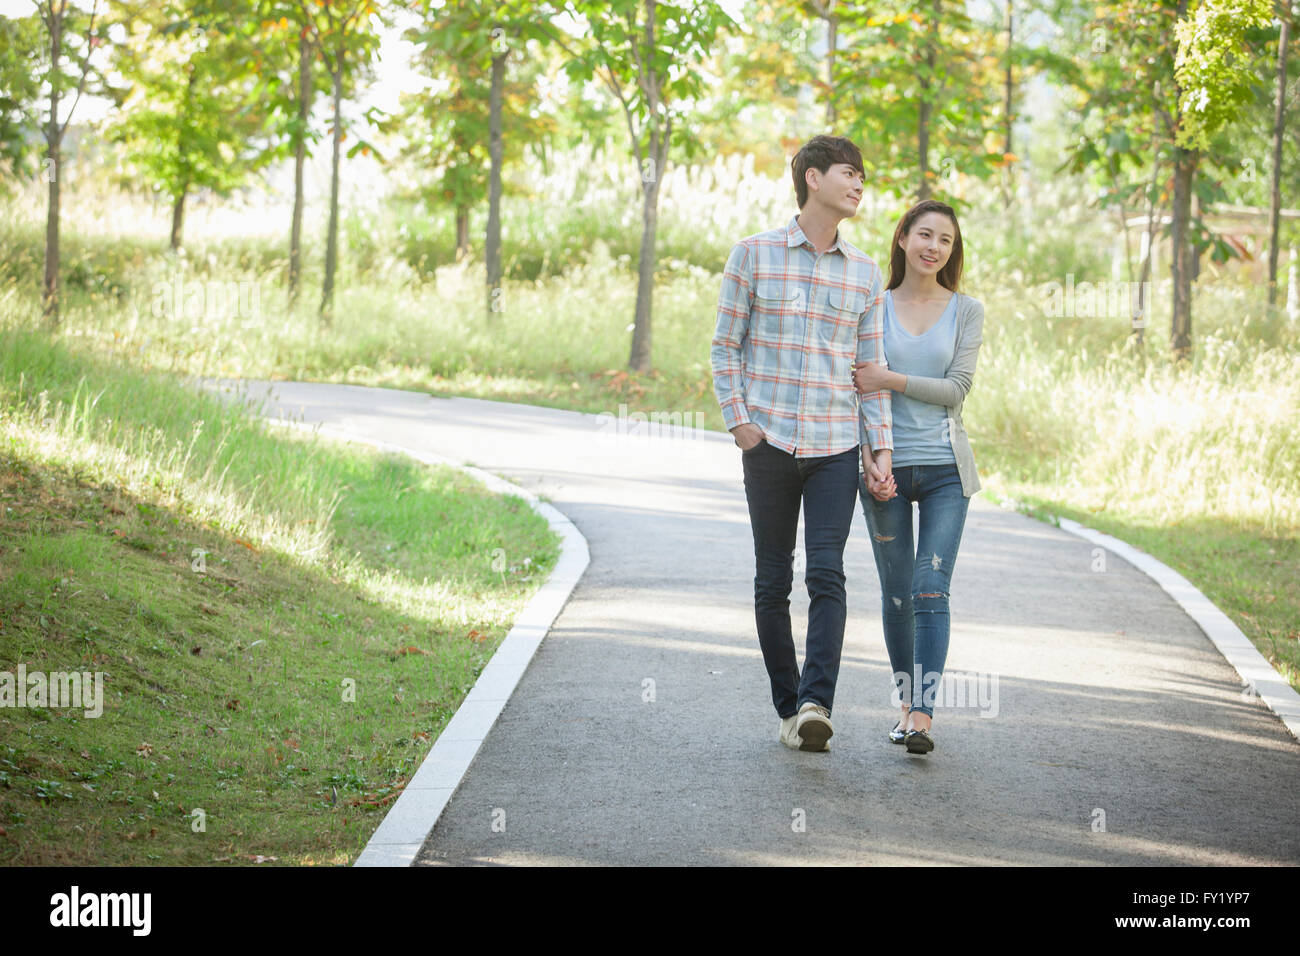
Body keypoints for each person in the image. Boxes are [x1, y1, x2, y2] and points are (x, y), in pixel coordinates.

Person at [711, 135, 894, 753]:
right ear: (812, 178)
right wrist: (741, 422)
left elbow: (869, 371)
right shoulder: (754, 256)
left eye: (863, 176)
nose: (859, 184)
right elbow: (724, 345)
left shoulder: (866, 273)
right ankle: (787, 706)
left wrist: (879, 451)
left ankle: (817, 703)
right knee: (771, 580)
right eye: (849, 173)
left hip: (836, 448)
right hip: (769, 444)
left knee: (828, 574)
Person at [855, 198, 984, 756]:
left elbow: (957, 389)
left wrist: (892, 377)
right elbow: (857, 386)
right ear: (903, 237)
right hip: (883, 467)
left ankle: (922, 716)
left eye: (946, 241)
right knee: (897, 595)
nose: (934, 248)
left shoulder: (967, 310)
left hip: (944, 471)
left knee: (930, 587)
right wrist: (869, 457)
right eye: (925, 235)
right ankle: (904, 704)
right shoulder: (872, 305)